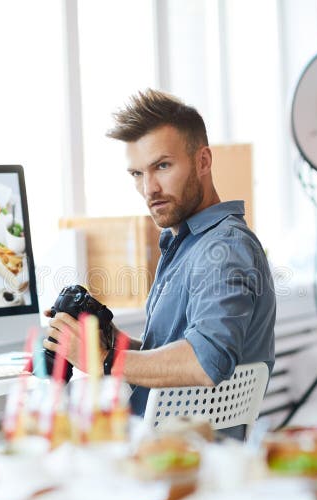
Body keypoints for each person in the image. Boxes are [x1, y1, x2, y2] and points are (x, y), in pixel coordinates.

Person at [43, 88, 276, 424]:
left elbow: (206, 361)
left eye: (162, 166)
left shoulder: (222, 249)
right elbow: (177, 352)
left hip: (179, 456)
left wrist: (106, 360)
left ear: (203, 161)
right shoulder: (189, 243)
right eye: (137, 174)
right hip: (160, 444)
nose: (149, 189)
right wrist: (112, 340)